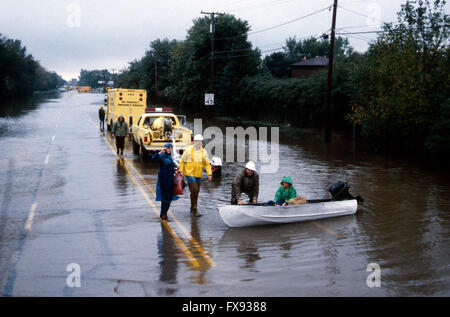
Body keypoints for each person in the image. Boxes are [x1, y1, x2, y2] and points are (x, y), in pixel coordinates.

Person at [179, 134, 212, 217]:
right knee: (194, 189)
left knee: (196, 192)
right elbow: (182, 161)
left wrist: (209, 174)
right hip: (189, 173)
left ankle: (192, 207)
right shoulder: (189, 150)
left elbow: (207, 164)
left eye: (200, 141)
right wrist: (181, 171)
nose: (199, 143)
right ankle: (195, 209)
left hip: (198, 174)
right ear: (194, 142)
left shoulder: (203, 152)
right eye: (197, 141)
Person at [152, 143, 179, 221]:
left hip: (170, 179)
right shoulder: (162, 156)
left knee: (169, 197)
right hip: (163, 180)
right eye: (168, 148)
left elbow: (170, 167)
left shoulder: (169, 156)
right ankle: (163, 213)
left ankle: (164, 213)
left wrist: (175, 170)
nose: (169, 149)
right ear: (165, 149)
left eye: (171, 148)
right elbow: (154, 158)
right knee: (165, 197)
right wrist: (160, 152)